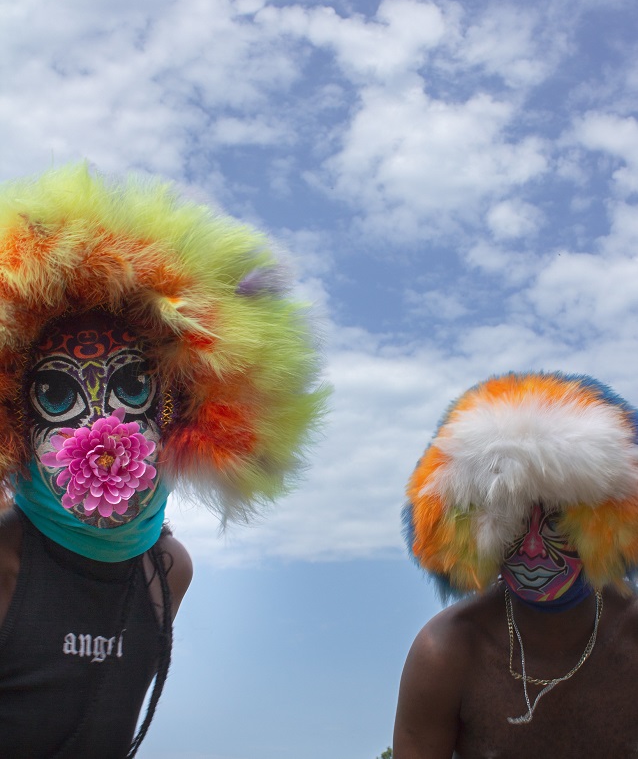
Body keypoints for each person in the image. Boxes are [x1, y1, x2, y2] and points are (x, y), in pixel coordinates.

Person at [0, 165, 327, 758]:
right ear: (16, 419)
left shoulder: (169, 570)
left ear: (181, 409)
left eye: (131, 387)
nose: (101, 430)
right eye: (56, 396)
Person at [394, 372, 638, 758]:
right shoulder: (447, 653)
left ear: (606, 523)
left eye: (556, 520)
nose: (534, 548)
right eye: (511, 519)